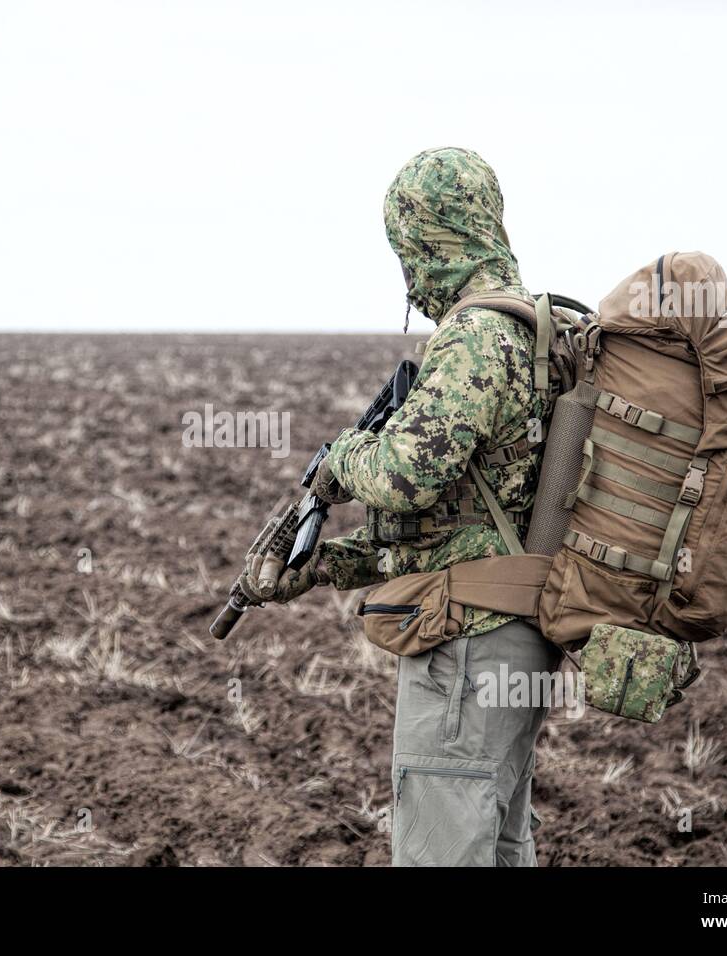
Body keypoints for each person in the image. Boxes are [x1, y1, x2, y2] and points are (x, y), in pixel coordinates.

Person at [239, 147, 561, 866]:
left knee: (444, 850)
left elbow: (405, 475)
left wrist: (339, 459)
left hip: (467, 652)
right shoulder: (532, 331)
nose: (408, 271)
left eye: (409, 247)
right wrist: (327, 565)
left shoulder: (474, 338)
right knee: (499, 846)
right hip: (512, 636)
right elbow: (463, 525)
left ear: (432, 238)